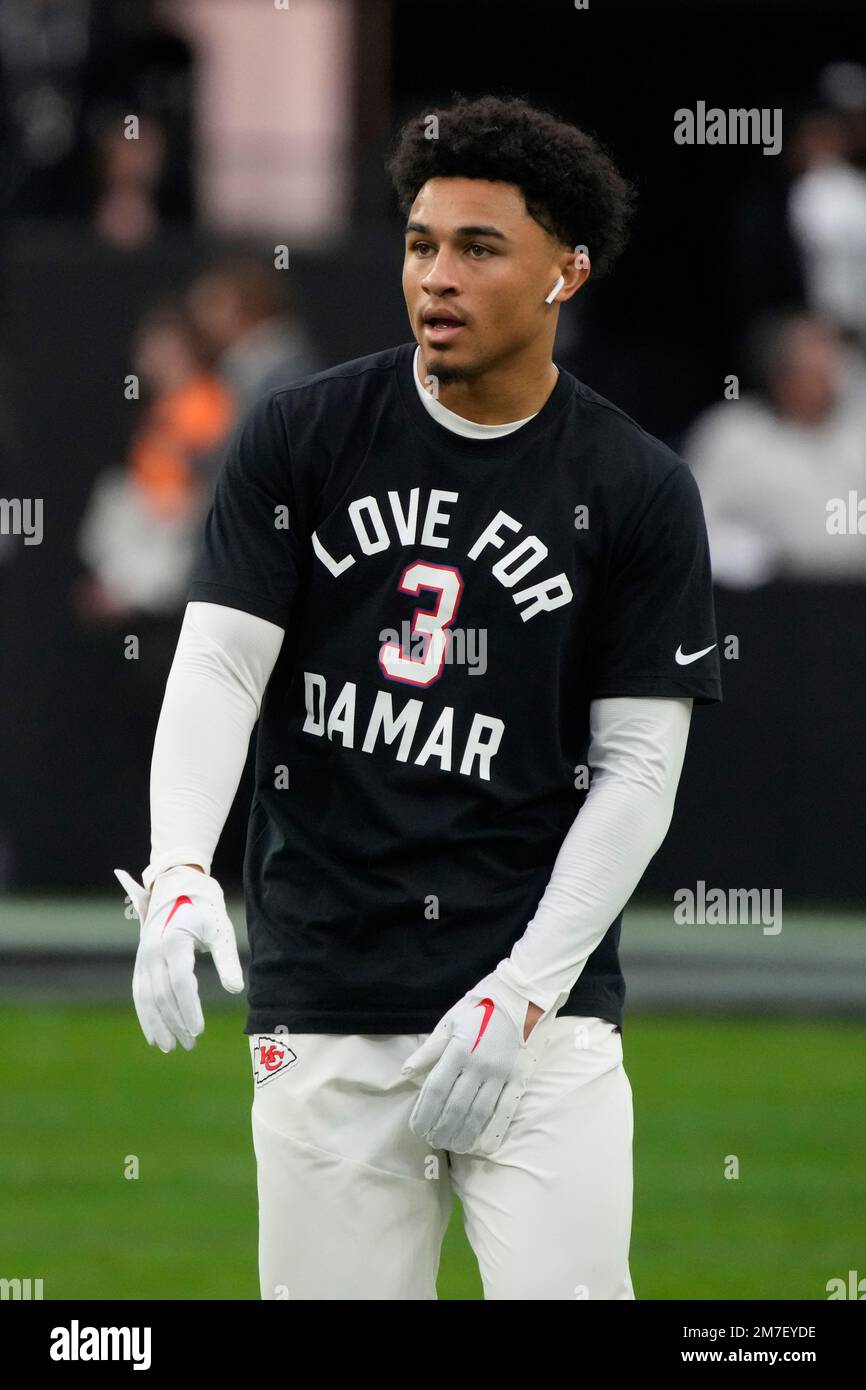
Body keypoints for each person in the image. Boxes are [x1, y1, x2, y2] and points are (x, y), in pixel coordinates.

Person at [115, 94, 722, 1301]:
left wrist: (523, 989)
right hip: (328, 991)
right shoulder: (298, 436)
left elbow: (638, 771)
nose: (436, 276)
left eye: (478, 248)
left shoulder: (638, 489)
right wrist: (181, 862)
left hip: (540, 1014)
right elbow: (222, 666)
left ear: (567, 272)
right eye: (418, 244)